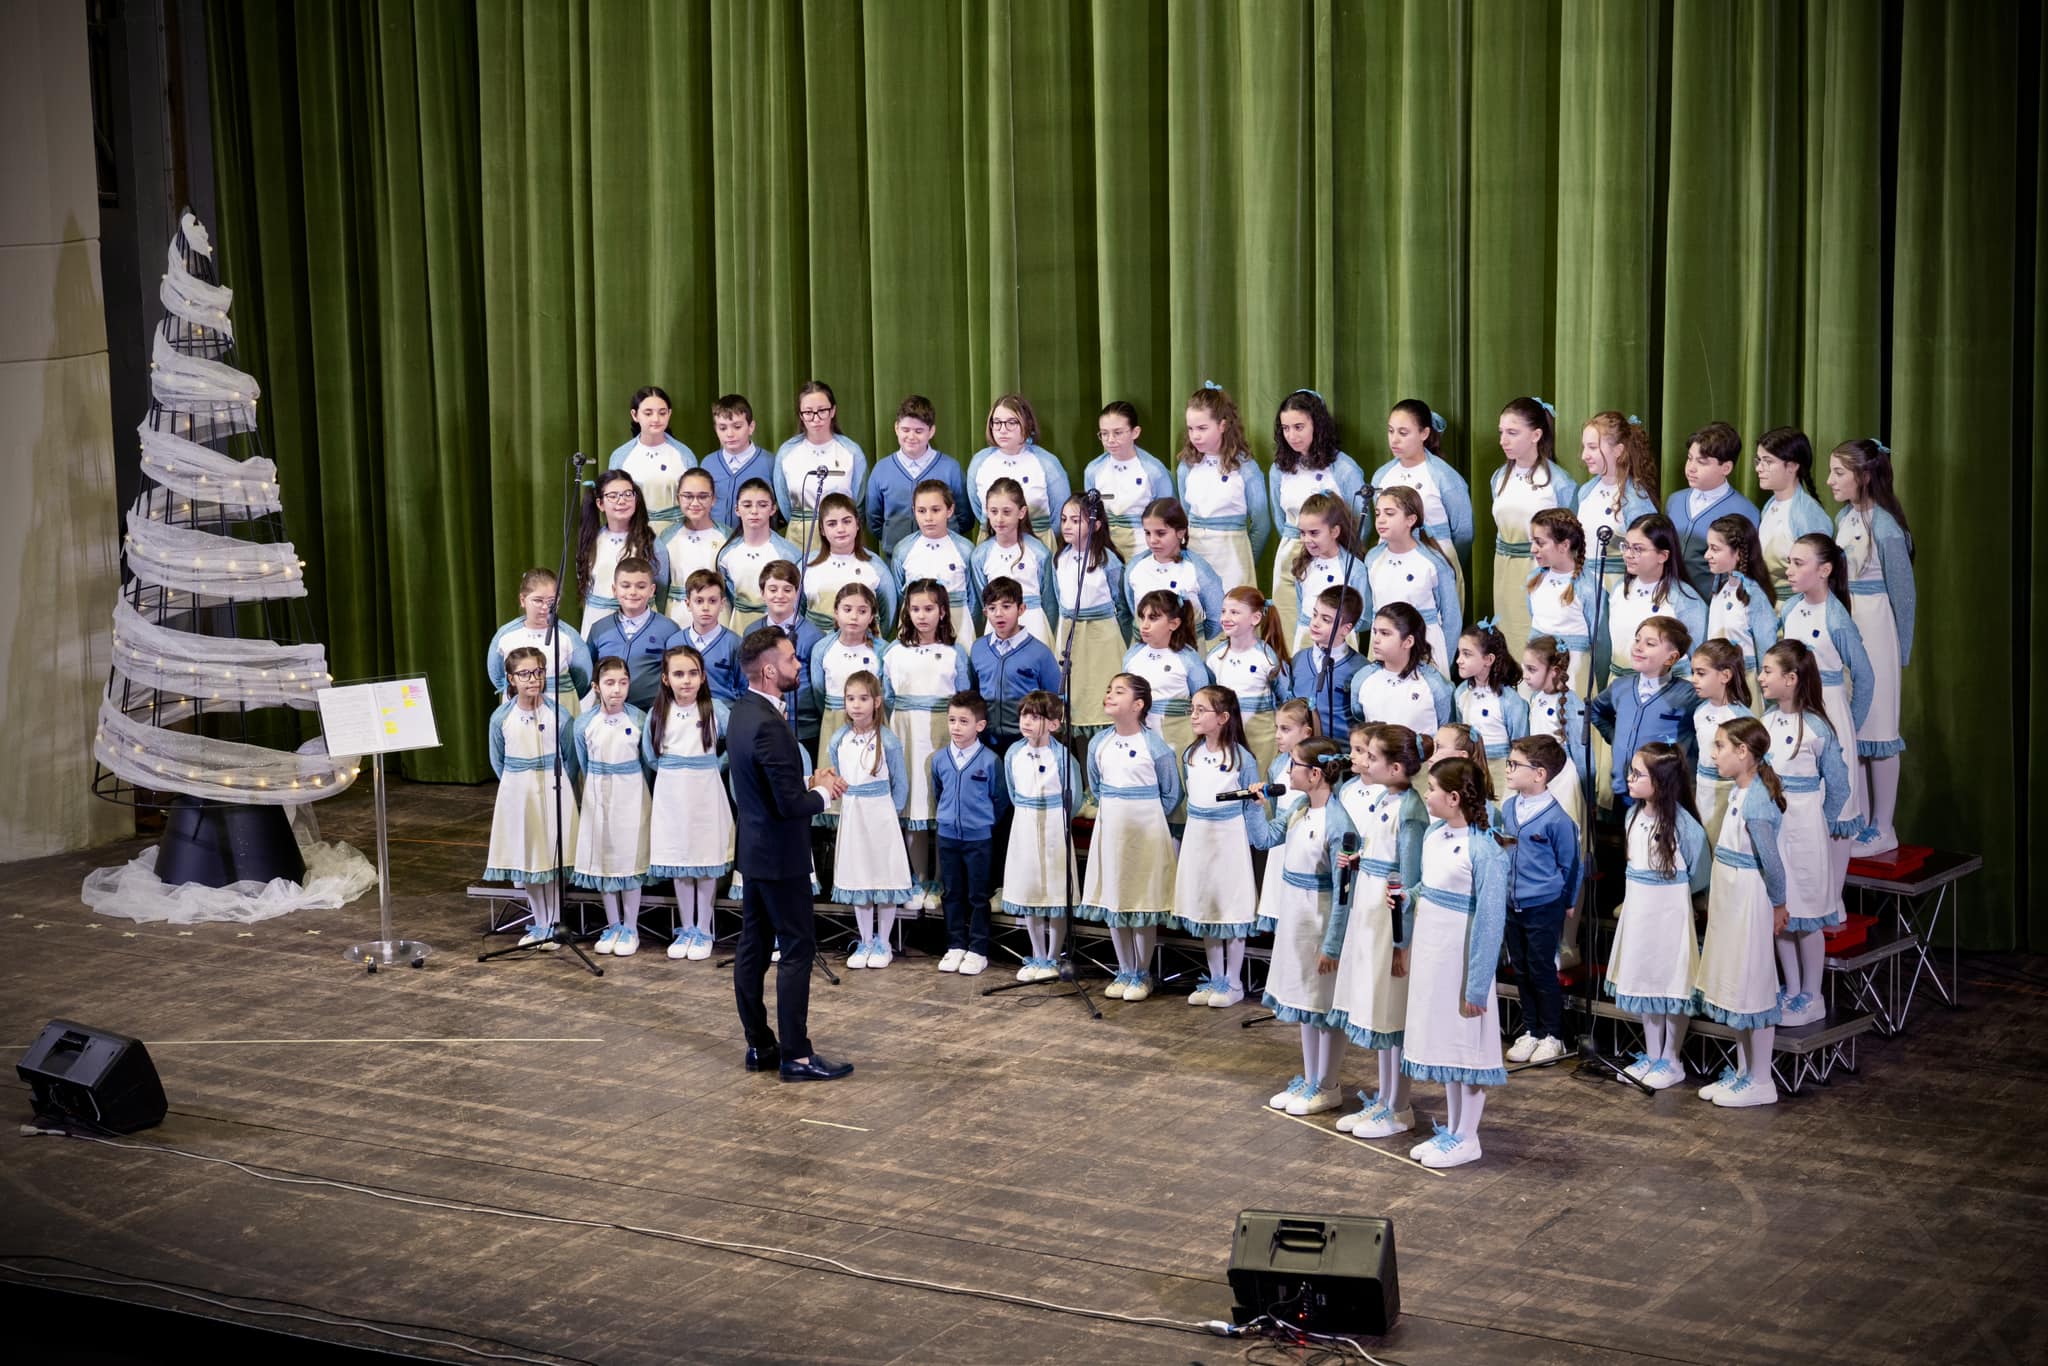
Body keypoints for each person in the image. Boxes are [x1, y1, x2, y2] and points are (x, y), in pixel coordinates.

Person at [728, 629, 852, 1082]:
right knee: (797, 950)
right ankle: (796, 1056)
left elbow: (769, 791)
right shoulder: (769, 724)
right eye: (791, 659)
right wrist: (823, 792)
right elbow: (790, 807)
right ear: (768, 670)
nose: (799, 665)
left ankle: (760, 1044)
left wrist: (807, 784)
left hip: (756, 853)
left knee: (753, 947)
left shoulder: (743, 713)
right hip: (782, 858)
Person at [1401, 757, 1513, 1169]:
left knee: (1468, 1048)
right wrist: (1409, 897)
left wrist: (1476, 984)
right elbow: (1427, 886)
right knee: (1447, 1044)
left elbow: (1489, 921)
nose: (1425, 794)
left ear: (1452, 797)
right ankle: (1452, 1129)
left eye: (1431, 788)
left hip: (1462, 961)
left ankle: (1469, 1136)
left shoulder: (1483, 848)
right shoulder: (1434, 835)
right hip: (1434, 957)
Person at [1244, 737, 1359, 1116]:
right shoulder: (1297, 806)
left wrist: (1332, 943)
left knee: (1323, 1006)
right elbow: (1263, 839)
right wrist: (1256, 807)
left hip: (1319, 922)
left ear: (1314, 774)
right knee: (1305, 1006)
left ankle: (1328, 1084)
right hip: (1295, 918)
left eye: (1292, 764)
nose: (1286, 769)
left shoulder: (1339, 824)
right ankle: (1312, 1079)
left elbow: (1344, 893)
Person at [1329, 723, 1430, 1138]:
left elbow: (1408, 877)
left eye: (1372, 757)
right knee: (1378, 1012)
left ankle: (1399, 1105)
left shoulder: (1410, 809)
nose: (1364, 763)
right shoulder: (1382, 800)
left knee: (1391, 1014)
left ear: (1397, 767)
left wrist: (1402, 942)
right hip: (1369, 914)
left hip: (1389, 923)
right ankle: (1385, 1099)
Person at [1694, 717, 1790, 1108]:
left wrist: (1779, 904)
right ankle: (1744, 1071)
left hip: (1749, 898)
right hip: (1730, 896)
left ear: (1743, 752)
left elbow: (1772, 862)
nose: (1713, 755)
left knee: (1754, 986)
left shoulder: (1756, 802)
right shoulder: (1738, 791)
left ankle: (1762, 1078)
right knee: (1736, 985)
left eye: (1720, 746)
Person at [1757, 640, 1853, 1027]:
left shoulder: (1816, 728)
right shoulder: (1765, 722)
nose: (1761, 677)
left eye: (1768, 671)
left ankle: (1812, 994)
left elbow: (1841, 786)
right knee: (1780, 913)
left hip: (1806, 829)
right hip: (1775, 827)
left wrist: (1821, 823)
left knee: (1807, 915)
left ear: (1792, 679)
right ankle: (1791, 988)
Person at [1827, 437, 1915, 856]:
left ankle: (1884, 825)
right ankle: (1859, 819)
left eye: (1839, 473)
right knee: (1855, 727)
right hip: (1848, 624)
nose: (1830, 481)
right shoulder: (1844, 518)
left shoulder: (1885, 527)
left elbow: (1904, 595)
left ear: (1864, 476)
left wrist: (1902, 651)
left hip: (1876, 627)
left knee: (1879, 729)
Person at [1604, 741, 1710, 1088]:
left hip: (1670, 917)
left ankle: (1671, 1057)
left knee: (1672, 983)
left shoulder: (1685, 826)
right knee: (1647, 981)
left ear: (1660, 782)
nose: (1629, 779)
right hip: (1640, 913)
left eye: (1638, 774)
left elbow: (1700, 873)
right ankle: (1651, 1053)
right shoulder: (1632, 815)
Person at [1779, 532, 1873, 920]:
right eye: (1790, 561)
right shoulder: (1790, 609)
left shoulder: (1836, 617)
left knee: (1837, 814)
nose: (1789, 570)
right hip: (1796, 714)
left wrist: (1848, 726)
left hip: (1831, 713)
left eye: (1799, 563)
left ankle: (1833, 899)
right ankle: (1802, 899)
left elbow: (1865, 677)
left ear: (1825, 570)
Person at [1077, 674, 1183, 1000]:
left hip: (1146, 835)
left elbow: (1171, 793)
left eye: (1119, 692)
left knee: (1141, 901)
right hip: (1111, 834)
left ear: (1138, 705)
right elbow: (1096, 788)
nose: (1109, 695)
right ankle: (1123, 969)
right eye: (1109, 689)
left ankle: (1142, 972)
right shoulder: (1099, 743)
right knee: (1115, 898)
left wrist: (1144, 815)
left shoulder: (1155, 746)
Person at [884, 580, 974, 912]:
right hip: (906, 735)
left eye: (929, 609)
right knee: (913, 807)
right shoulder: (893, 652)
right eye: (916, 608)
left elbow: (964, 699)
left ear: (942, 611)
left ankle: (939, 880)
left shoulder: (954, 654)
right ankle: (917, 878)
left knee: (938, 807)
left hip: (940, 736)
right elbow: (888, 699)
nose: (922, 616)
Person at [486, 647, 580, 948]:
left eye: (538, 672)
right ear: (511, 679)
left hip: (553, 790)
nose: (533, 679)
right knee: (527, 855)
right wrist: (518, 784)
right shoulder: (501, 717)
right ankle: (538, 920)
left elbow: (570, 758)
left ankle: (554, 922)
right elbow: (497, 760)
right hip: (518, 793)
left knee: (550, 856)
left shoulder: (558, 715)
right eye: (525, 674)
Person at [819, 671, 913, 969]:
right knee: (860, 875)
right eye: (850, 699)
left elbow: (900, 782)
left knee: (882, 874)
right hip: (854, 814)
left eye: (863, 698)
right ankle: (865, 939)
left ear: (876, 701)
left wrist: (890, 813)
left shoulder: (888, 740)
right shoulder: (839, 739)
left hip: (881, 815)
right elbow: (839, 776)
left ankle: (884, 940)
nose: (856, 705)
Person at [644, 645, 732, 962]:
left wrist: (712, 766)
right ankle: (687, 926)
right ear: (666, 679)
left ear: (703, 676)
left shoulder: (715, 710)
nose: (686, 681)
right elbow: (650, 755)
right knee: (681, 861)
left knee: (704, 860)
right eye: (679, 674)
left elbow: (733, 746)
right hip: (671, 795)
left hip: (706, 794)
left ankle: (704, 928)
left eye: (693, 673)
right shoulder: (658, 714)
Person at [1174, 686, 1261, 1006]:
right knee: (1207, 904)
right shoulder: (1191, 754)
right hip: (1199, 835)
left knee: (1230, 905)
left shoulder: (1241, 759)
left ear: (1224, 718)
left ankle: (1234, 981)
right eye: (1192, 709)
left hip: (1229, 838)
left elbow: (1252, 805)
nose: (1194, 715)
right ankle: (1215, 978)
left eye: (1201, 710)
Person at [1498, 735, 1582, 1065]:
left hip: (1542, 905)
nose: (1508, 769)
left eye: (1514, 764)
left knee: (1541, 968)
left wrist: (1568, 899)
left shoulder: (1557, 819)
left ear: (1539, 773)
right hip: (1512, 901)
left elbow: (1570, 863)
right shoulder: (1508, 808)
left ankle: (1553, 1034)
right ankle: (1530, 1030)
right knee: (1520, 969)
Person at [570, 657, 653, 956]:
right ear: (596, 687)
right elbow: (582, 761)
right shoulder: (584, 723)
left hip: (631, 796)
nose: (616, 689)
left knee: (629, 859)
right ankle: (613, 923)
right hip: (598, 797)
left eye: (622, 682)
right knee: (605, 859)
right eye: (609, 683)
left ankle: (631, 926)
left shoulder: (639, 720)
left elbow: (647, 762)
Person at [1002, 691, 1084, 981]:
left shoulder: (1062, 756)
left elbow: (1074, 798)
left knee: (1054, 891)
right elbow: (1013, 791)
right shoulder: (1014, 753)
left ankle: (1053, 956)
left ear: (1054, 723)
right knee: (1030, 890)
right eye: (1024, 714)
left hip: (1053, 827)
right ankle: (1036, 954)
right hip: (1024, 825)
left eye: (1035, 716)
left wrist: (1056, 817)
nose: (1026, 721)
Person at [1270, 389, 1368, 630]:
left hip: (1333, 554)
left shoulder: (1343, 468)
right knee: (1289, 625)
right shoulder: (1279, 469)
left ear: (1317, 425)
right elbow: (1279, 518)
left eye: (1299, 427)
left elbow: (1361, 523)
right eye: (1286, 428)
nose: (1292, 435)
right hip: (1290, 555)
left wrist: (1338, 552)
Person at [1488, 397, 1578, 655]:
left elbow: (1572, 535)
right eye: (1501, 432)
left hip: (1539, 570)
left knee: (1536, 636)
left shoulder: (1558, 482)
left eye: (1512, 433)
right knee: (1509, 635)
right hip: (1505, 571)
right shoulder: (1499, 477)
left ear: (1536, 434)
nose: (1503, 440)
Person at [930, 691, 1009, 976]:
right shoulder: (939, 760)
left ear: (980, 725)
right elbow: (939, 792)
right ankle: (955, 945)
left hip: (979, 839)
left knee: (978, 895)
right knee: (951, 893)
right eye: (952, 720)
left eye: (964, 721)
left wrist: (982, 823)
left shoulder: (990, 761)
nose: (956, 727)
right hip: (948, 836)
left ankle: (977, 949)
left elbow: (999, 799)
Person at [1590, 616, 1700, 806]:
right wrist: (1615, 736)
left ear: (1672, 657)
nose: (1638, 647)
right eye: (1637, 639)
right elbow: (1596, 710)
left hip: (1666, 795)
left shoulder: (1688, 695)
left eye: (1650, 643)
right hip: (1624, 792)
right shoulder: (1620, 687)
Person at [1175, 381, 1270, 596]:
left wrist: (1245, 560)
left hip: (1233, 559)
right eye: (1191, 429)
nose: (1195, 435)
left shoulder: (1246, 468)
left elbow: (1262, 524)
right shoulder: (1186, 467)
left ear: (1223, 425)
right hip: (1197, 555)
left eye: (1202, 428)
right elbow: (1185, 515)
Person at [1053, 493, 1132, 738]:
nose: (1067, 526)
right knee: (1075, 698)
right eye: (1064, 519)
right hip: (1070, 634)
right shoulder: (1060, 559)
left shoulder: (1107, 561)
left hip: (1102, 639)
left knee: (1099, 697)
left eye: (1075, 520)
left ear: (1096, 524)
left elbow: (1122, 606)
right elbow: (1059, 599)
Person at [1374, 399, 1474, 589]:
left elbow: (1464, 532)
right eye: (1390, 431)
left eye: (1403, 433)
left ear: (1424, 433)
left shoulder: (1444, 477)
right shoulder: (1382, 476)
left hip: (1436, 567)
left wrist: (1444, 559)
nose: (1394, 439)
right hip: (1390, 565)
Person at [1666, 421, 1761, 600]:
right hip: (1670, 603)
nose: (1691, 468)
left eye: (1702, 462)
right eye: (1689, 458)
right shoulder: (1675, 500)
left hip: (1714, 607)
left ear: (1726, 468)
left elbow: (1745, 571)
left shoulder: (1744, 511)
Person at [865, 394, 970, 555]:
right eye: (905, 430)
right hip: (896, 559)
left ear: (931, 431)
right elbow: (874, 521)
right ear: (896, 428)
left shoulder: (951, 469)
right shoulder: (881, 470)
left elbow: (965, 517)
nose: (911, 437)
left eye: (919, 431)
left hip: (945, 557)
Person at [1367, 486, 1460, 665]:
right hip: (1384, 649)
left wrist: (1442, 660)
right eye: (1378, 514)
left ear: (1410, 519)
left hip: (1424, 649)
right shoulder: (1373, 558)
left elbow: (1452, 619)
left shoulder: (1433, 562)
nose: (1381, 520)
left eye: (1389, 513)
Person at [486, 567, 592, 720]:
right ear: (523, 600)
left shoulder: (568, 636)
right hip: (519, 710)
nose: (545, 608)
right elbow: (497, 674)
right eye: (538, 601)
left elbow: (583, 678)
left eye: (551, 601)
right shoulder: (506, 636)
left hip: (560, 708)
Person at [967, 393, 1069, 550]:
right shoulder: (979, 462)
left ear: (1027, 424)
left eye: (1011, 422)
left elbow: (1060, 513)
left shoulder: (1047, 463)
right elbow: (978, 508)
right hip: (992, 543)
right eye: (997, 422)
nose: (1003, 429)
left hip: (1040, 542)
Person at [1124, 589, 1212, 771]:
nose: (1144, 625)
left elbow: (1202, 699)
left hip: (1179, 736)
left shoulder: (1188, 658)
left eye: (1153, 618)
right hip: (1142, 735)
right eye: (1142, 617)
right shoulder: (1132, 656)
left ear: (1173, 623)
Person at [968, 577, 1058, 754]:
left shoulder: (1040, 652)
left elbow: (1056, 697)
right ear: (985, 612)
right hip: (986, 740)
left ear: (1021, 609)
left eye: (1006, 606)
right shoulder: (978, 648)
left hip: (1027, 740)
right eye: (992, 608)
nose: (999, 613)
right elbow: (973, 692)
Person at [1206, 585, 1291, 774]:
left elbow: (1286, 701)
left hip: (1261, 739)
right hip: (1225, 735)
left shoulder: (1268, 659)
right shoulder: (1215, 658)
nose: (1225, 618)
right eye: (1223, 611)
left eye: (1234, 612)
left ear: (1255, 618)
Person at [1574, 411, 1660, 591]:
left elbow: (1647, 553)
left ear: (1618, 451)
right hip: (1587, 587)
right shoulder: (1586, 491)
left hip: (1618, 588)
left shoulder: (1635, 499)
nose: (1584, 455)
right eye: (1584, 447)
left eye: (1592, 447)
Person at [577, 471, 670, 635]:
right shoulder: (591, 541)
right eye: (613, 496)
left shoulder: (651, 543)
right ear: (600, 504)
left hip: (641, 623)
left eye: (628, 494)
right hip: (598, 622)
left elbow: (661, 591)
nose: (622, 501)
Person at [583, 557, 680, 713]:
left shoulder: (669, 629)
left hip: (652, 715)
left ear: (652, 590)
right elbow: (588, 673)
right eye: (625, 586)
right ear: (615, 590)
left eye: (641, 586)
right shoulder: (599, 629)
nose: (633, 592)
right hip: (608, 715)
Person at [773, 379, 867, 537]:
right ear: (801, 416)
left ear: (833, 411)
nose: (816, 419)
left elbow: (860, 502)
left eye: (822, 410)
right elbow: (784, 503)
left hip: (841, 535)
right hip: (799, 537)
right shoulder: (786, 453)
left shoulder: (852, 452)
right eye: (808, 412)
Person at [968, 477, 1055, 646]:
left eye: (1006, 512)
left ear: (1021, 513)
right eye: (994, 511)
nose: (999, 519)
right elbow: (982, 598)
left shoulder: (1038, 552)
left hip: (1034, 626)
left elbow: (1049, 599)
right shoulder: (980, 555)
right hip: (996, 626)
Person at [1349, 600, 1454, 740]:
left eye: (1385, 633)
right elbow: (1359, 718)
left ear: (1408, 642)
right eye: (1375, 632)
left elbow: (1446, 729)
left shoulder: (1435, 685)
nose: (1376, 639)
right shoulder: (1362, 679)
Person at [808, 582, 887, 769]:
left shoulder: (882, 650)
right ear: (836, 612)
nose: (854, 617)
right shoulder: (823, 649)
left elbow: (886, 691)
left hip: (871, 725)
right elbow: (818, 690)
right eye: (847, 609)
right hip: (833, 721)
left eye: (862, 611)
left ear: (871, 616)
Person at [893, 478, 981, 644]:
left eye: (935, 510)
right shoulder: (903, 550)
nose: (928, 517)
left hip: (959, 626)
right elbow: (899, 596)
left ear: (949, 510)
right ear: (914, 511)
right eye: (921, 511)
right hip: (915, 629)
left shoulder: (965, 549)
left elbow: (974, 599)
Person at [1085, 401, 1174, 563]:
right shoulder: (1093, 470)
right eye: (1104, 434)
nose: (1110, 440)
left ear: (1135, 432)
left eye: (1118, 433)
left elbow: (1168, 518)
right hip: (1106, 549)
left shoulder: (1154, 471)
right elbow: (1092, 514)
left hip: (1145, 549)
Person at [1125, 497, 1225, 640]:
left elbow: (1216, 617)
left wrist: (1194, 636)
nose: (1153, 540)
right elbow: (1131, 607)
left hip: (1187, 648)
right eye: (1148, 533)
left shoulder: (1198, 569)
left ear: (1180, 532)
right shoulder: (1135, 567)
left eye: (1161, 533)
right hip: (1146, 649)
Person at [1523, 507, 1599, 696]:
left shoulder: (1587, 587)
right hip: (1539, 669)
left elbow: (1600, 639)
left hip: (1573, 671)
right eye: (1533, 542)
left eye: (1540, 543)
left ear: (1564, 546)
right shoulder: (1535, 580)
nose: (1533, 549)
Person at [1752, 426, 1832, 605]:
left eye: (1768, 461)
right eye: (1758, 460)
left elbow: (1818, 578)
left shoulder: (1807, 515)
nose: (1759, 468)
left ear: (1793, 465)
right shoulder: (1770, 505)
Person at [1452, 621, 1529, 800]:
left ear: (1488, 659)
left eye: (1467, 654)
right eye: (1459, 653)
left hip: (1501, 774)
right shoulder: (1461, 693)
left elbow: (1520, 744)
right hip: (1471, 770)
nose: (1458, 660)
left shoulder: (1510, 701)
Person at [1288, 492, 1374, 653]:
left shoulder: (1353, 569)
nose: (1306, 539)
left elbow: (1364, 619)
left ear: (1334, 532)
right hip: (1305, 638)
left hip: (1340, 642)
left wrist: (1335, 628)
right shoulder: (1304, 565)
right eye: (1302, 533)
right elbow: (1301, 607)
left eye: (1314, 533)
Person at [717, 478, 802, 637]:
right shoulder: (727, 554)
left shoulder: (789, 554)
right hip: (738, 625)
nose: (754, 511)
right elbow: (728, 594)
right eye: (747, 505)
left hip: (776, 627)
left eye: (762, 505)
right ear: (737, 509)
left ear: (773, 509)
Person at [1688, 638, 1755, 843]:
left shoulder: (1740, 718)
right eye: (1693, 672)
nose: (1693, 679)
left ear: (1725, 675)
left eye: (1701, 673)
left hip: (1728, 794)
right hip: (1703, 791)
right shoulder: (1700, 712)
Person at [802, 492, 899, 632]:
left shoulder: (876, 567)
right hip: (816, 645)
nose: (840, 529)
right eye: (832, 524)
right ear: (822, 530)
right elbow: (798, 610)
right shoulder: (807, 565)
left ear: (858, 524)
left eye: (847, 521)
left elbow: (887, 615)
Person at [1519, 635, 1589, 828]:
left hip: (1563, 780)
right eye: (1525, 668)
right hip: (1540, 775)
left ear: (1554, 671)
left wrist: (1587, 795)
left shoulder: (1571, 705)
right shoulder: (1535, 698)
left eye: (1532, 669)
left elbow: (1582, 755)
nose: (1525, 675)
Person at [608, 385, 696, 530]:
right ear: (635, 415)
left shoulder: (684, 454)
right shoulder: (620, 457)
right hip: (634, 533)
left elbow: (695, 499)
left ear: (669, 414)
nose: (656, 419)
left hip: (677, 533)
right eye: (648, 413)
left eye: (662, 413)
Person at [1703, 514, 1779, 674]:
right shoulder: (1721, 589)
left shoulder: (1754, 596)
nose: (1706, 555)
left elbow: (1767, 651)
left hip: (1746, 685)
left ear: (1738, 553)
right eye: (1708, 547)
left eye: (1715, 549)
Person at [658, 468, 731, 624]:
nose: (695, 503)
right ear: (678, 499)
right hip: (676, 616)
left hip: (718, 617)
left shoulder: (728, 538)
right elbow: (660, 586)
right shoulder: (667, 537)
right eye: (688, 496)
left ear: (714, 499)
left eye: (703, 496)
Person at [704, 393, 775, 531]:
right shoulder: (708, 463)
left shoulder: (770, 463)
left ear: (751, 427)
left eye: (737, 426)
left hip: (756, 542)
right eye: (723, 428)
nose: (730, 434)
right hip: (715, 542)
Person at [673, 570, 745, 702]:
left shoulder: (734, 643)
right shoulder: (674, 642)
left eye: (712, 601)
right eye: (699, 601)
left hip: (724, 715)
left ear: (722, 604)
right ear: (688, 604)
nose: (705, 607)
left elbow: (743, 688)